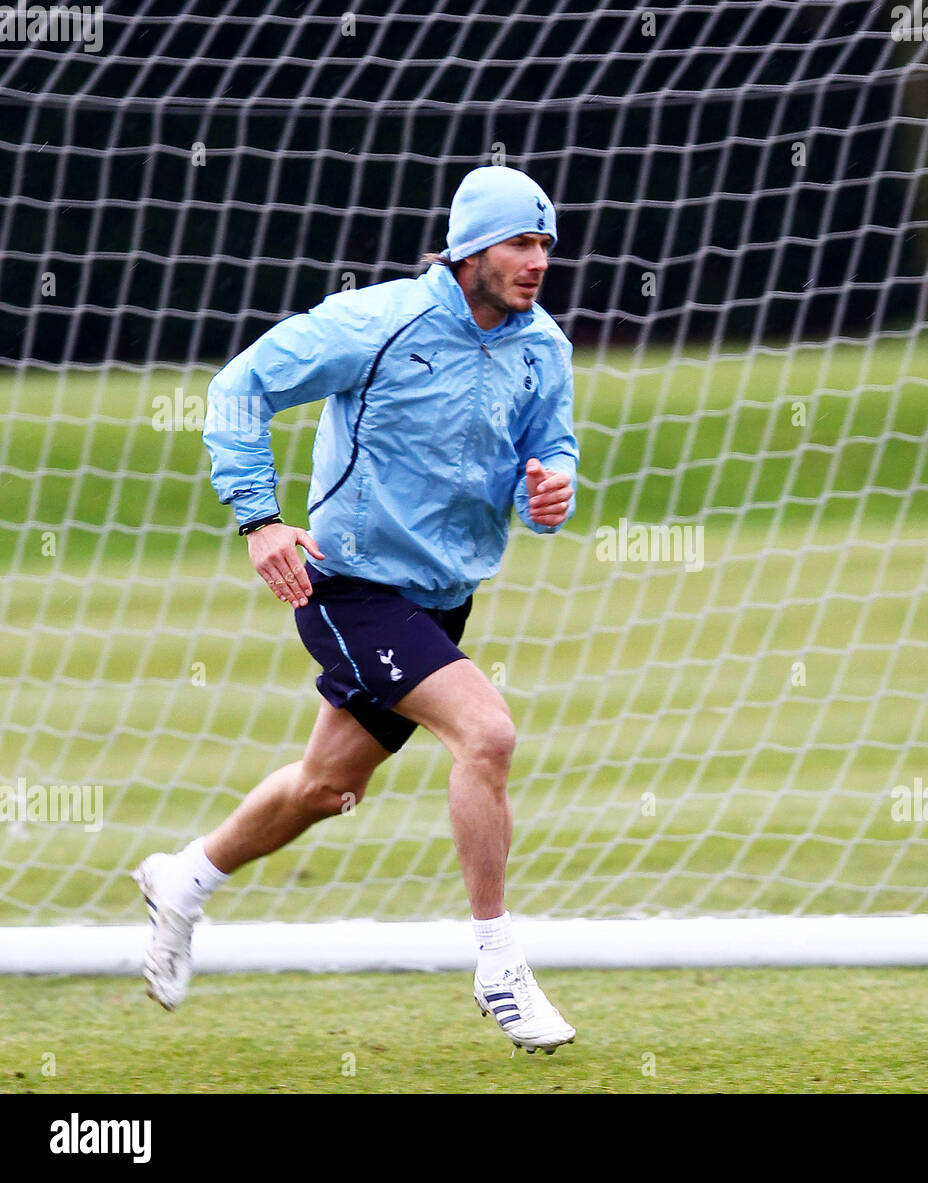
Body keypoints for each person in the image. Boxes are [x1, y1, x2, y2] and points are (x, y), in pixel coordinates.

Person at [133, 166, 579, 1054]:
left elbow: (548, 445)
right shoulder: (377, 321)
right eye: (519, 243)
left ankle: (183, 878)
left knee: (327, 787)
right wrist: (259, 518)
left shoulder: (544, 347)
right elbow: (237, 388)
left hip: (444, 598)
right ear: (466, 251)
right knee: (485, 732)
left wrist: (549, 487)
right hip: (347, 585)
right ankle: (499, 963)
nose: (536, 262)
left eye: (545, 245)